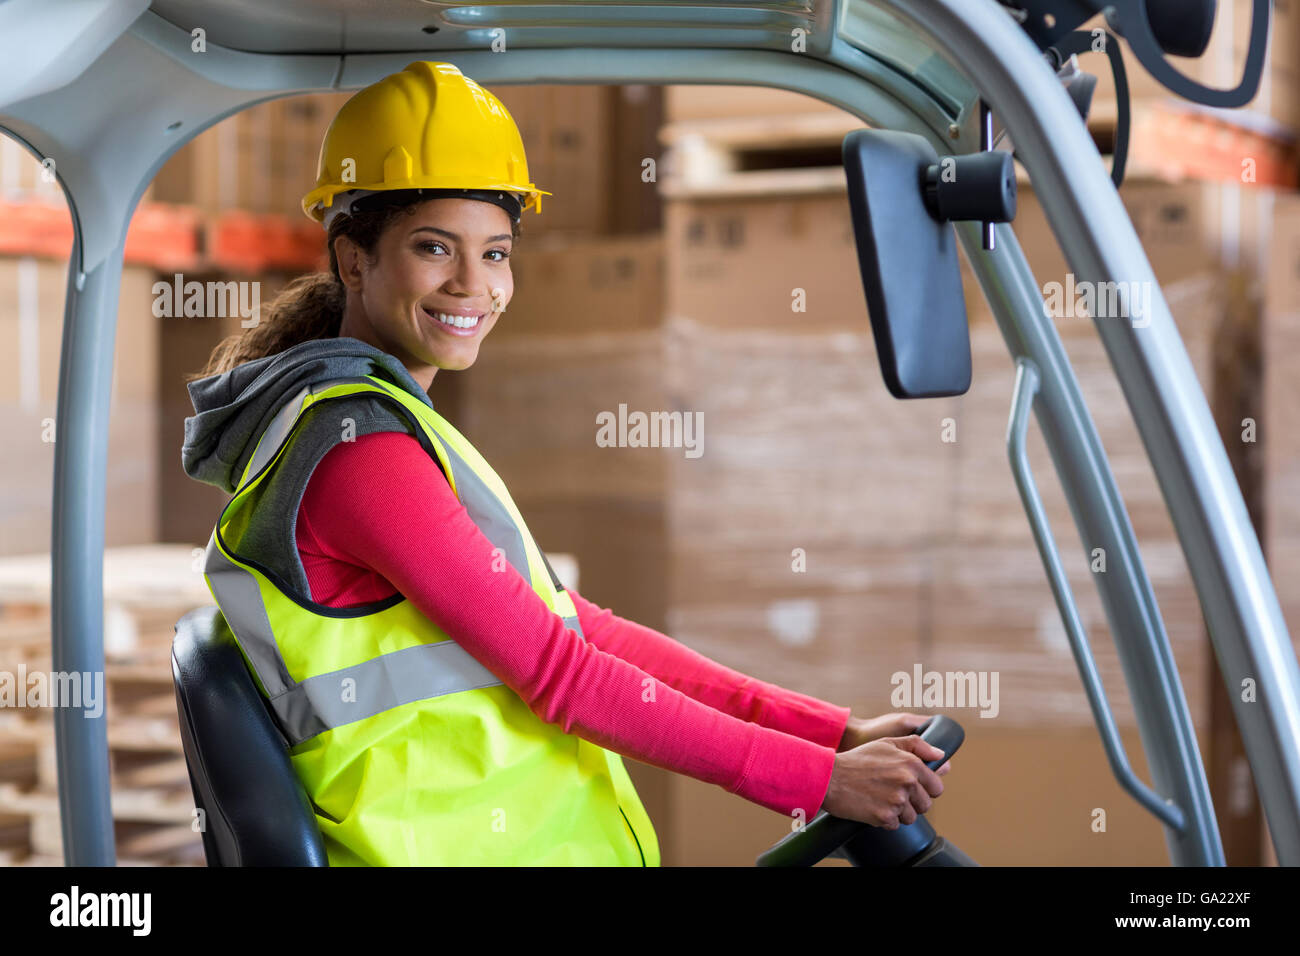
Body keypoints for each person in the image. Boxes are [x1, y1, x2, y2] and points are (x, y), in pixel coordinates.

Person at [181, 60, 950, 866]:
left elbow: (586, 633)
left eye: (496, 252)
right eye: (434, 247)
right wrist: (816, 781)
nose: (473, 285)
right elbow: (563, 674)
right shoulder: (358, 454)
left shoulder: (380, 425)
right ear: (353, 260)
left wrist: (829, 734)